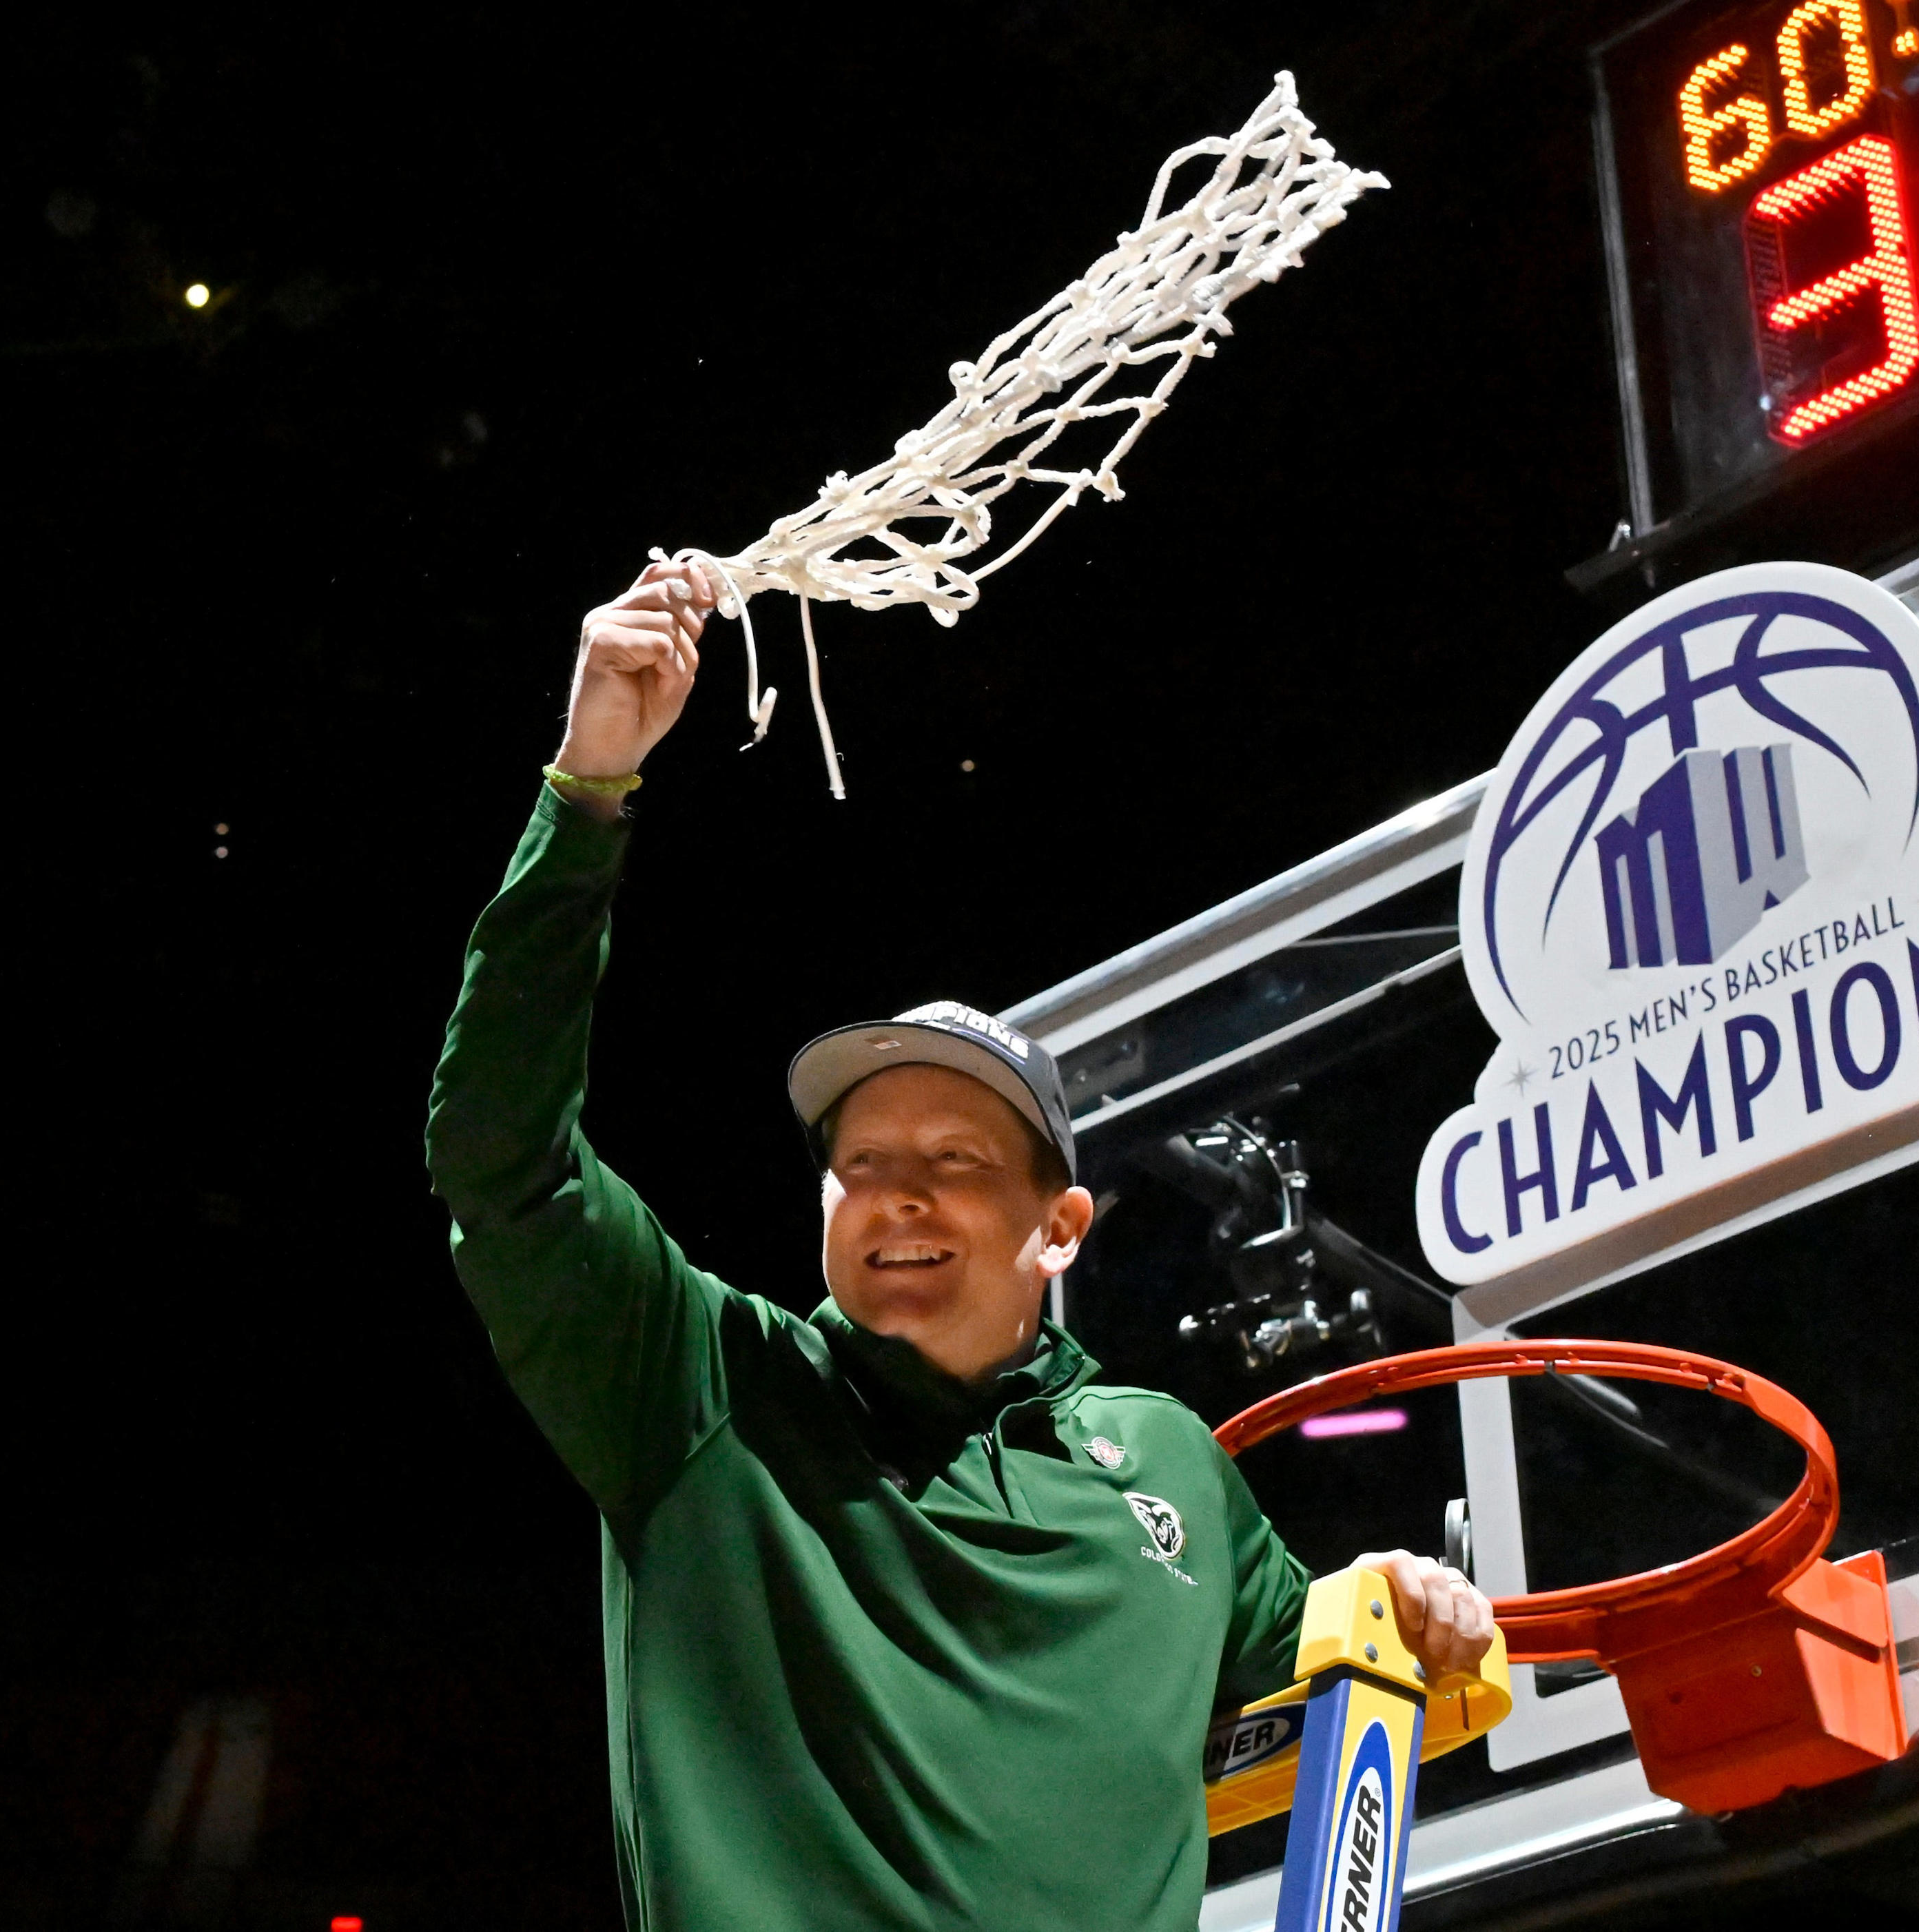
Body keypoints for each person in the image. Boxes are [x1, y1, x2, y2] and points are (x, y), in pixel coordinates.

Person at [425, 557, 1495, 1932]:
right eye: (859, 1166)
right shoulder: (700, 1389)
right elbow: (500, 1162)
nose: (896, 1196)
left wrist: (1410, 1595)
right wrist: (584, 797)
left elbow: (1330, 1653)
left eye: (952, 1162)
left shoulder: (1169, 1462)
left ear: (1059, 1229)